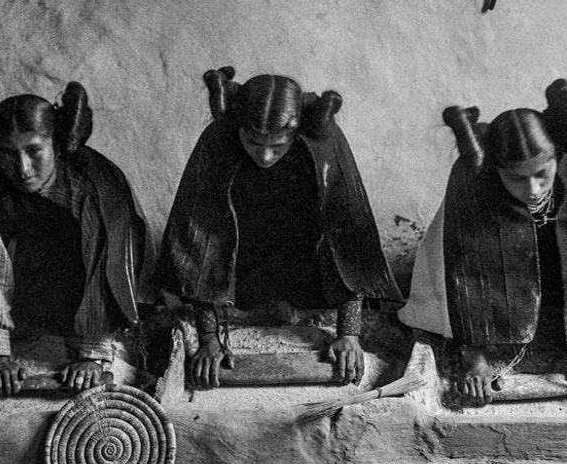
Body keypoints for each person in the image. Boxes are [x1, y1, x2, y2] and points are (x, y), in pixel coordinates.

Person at [399, 80, 567, 405]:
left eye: (541, 174)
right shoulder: (474, 183)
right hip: (500, 279)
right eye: (516, 178)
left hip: (562, 281)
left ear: (558, 157)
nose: (532, 189)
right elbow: (465, 272)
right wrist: (476, 361)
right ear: (496, 170)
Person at [154, 68, 402, 388]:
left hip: (306, 265)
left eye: (278, 145)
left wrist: (349, 334)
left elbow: (347, 241)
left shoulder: (323, 142)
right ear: (239, 128)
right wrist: (209, 338)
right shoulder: (218, 140)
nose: (265, 155)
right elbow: (201, 242)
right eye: (253, 142)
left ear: (295, 133)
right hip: (242, 263)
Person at [0, 82, 149, 396]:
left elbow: (106, 263)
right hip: (32, 288)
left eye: (34, 151)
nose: (22, 168)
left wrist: (92, 356)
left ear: (55, 144)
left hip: (90, 283)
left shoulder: (94, 186)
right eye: (8, 153)